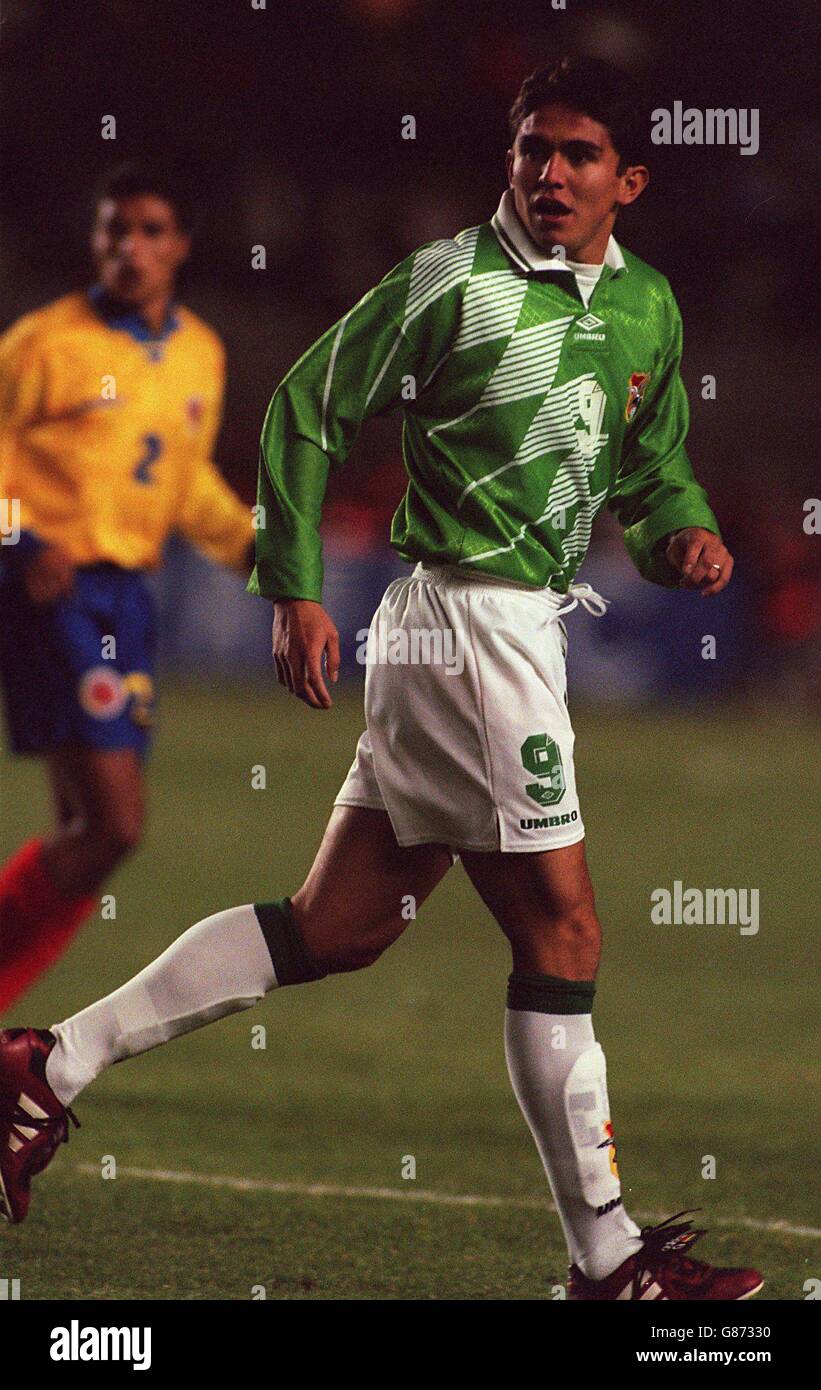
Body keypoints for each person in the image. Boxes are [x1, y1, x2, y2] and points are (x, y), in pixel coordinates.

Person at [0, 60, 761, 1301]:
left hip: (503, 630)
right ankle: (609, 1261)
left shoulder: (645, 307)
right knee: (562, 928)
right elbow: (307, 405)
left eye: (576, 154)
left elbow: (650, 465)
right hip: (467, 626)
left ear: (626, 179)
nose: (548, 173)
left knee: (336, 925)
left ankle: (45, 1065)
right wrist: (293, 586)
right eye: (530, 148)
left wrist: (681, 535)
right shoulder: (449, 281)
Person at [0, 166, 255, 1011]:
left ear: (180, 245)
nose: (130, 248)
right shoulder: (43, 344)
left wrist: (257, 550)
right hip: (53, 592)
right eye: (116, 229)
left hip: (129, 601)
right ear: (96, 239)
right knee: (115, 824)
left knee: (91, 834)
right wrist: (20, 538)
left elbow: (186, 483)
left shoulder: (199, 352)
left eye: (150, 231)